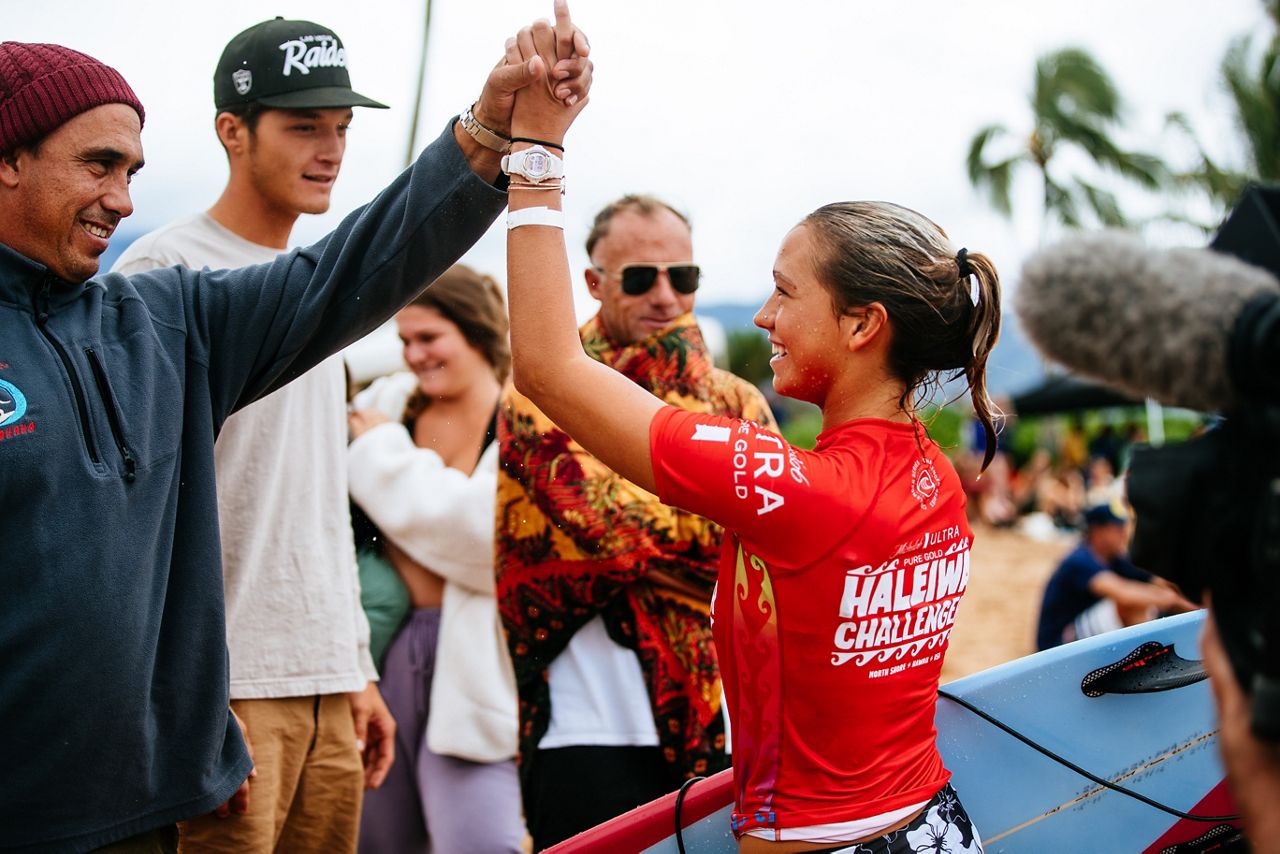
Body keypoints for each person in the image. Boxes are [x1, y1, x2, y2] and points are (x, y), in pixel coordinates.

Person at [0, 6, 590, 850]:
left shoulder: (162, 321)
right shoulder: (171, 265)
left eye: (132, 171)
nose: (122, 200)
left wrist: (494, 131)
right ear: (9, 159)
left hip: (149, 799)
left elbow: (355, 265)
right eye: (98, 164)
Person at [502, 33, 997, 851]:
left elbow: (549, 368)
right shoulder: (933, 475)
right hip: (937, 827)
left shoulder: (793, 492)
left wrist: (536, 151)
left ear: (862, 325)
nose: (763, 317)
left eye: (784, 293)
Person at [110, 19, 396, 851]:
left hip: (326, 683)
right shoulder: (162, 275)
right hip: (225, 693)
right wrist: (185, 698)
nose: (331, 150)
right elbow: (130, 520)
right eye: (304, 126)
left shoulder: (316, 291)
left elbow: (315, 501)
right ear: (232, 130)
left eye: (342, 127)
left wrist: (354, 665)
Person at [496, 192, 778, 849]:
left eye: (682, 276)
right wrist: (712, 522)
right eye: (640, 277)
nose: (665, 295)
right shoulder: (541, 386)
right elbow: (615, 531)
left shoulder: (736, 399)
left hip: (720, 712)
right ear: (594, 283)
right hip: (583, 721)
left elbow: (772, 541)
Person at [346, 266, 524, 853]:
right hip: (386, 647)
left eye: (429, 338)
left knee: (480, 840)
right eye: (405, 340)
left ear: (477, 331)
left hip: (475, 656)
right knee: (379, 840)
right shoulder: (388, 403)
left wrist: (379, 454)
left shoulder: (519, 420)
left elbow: (482, 541)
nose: (414, 355)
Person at [1035, 501, 1195, 650]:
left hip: (1080, 630)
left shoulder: (1113, 558)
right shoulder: (1079, 560)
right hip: (1057, 643)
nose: (1124, 534)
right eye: (1117, 529)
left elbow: (1159, 580)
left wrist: (1188, 600)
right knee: (1130, 603)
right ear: (1098, 531)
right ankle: (1151, 654)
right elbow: (1124, 593)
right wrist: (1174, 601)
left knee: (1147, 595)